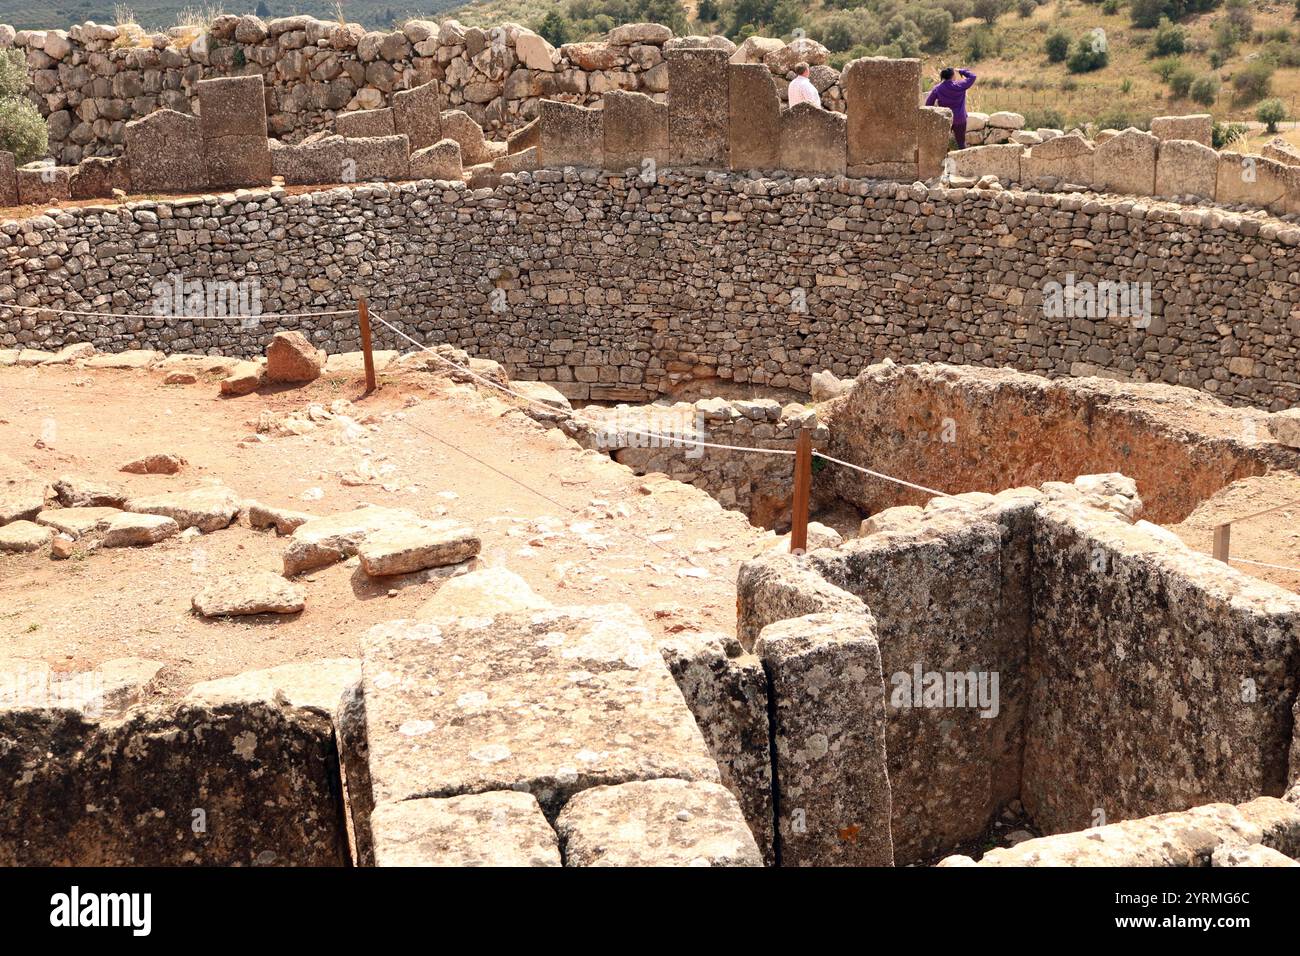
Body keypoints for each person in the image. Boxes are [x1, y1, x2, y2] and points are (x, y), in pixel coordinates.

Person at [924, 67, 977, 149]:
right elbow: (973, 76)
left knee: (942, 145)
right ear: (953, 76)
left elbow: (928, 104)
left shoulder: (937, 88)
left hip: (945, 119)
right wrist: (961, 71)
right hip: (960, 119)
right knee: (961, 144)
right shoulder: (960, 85)